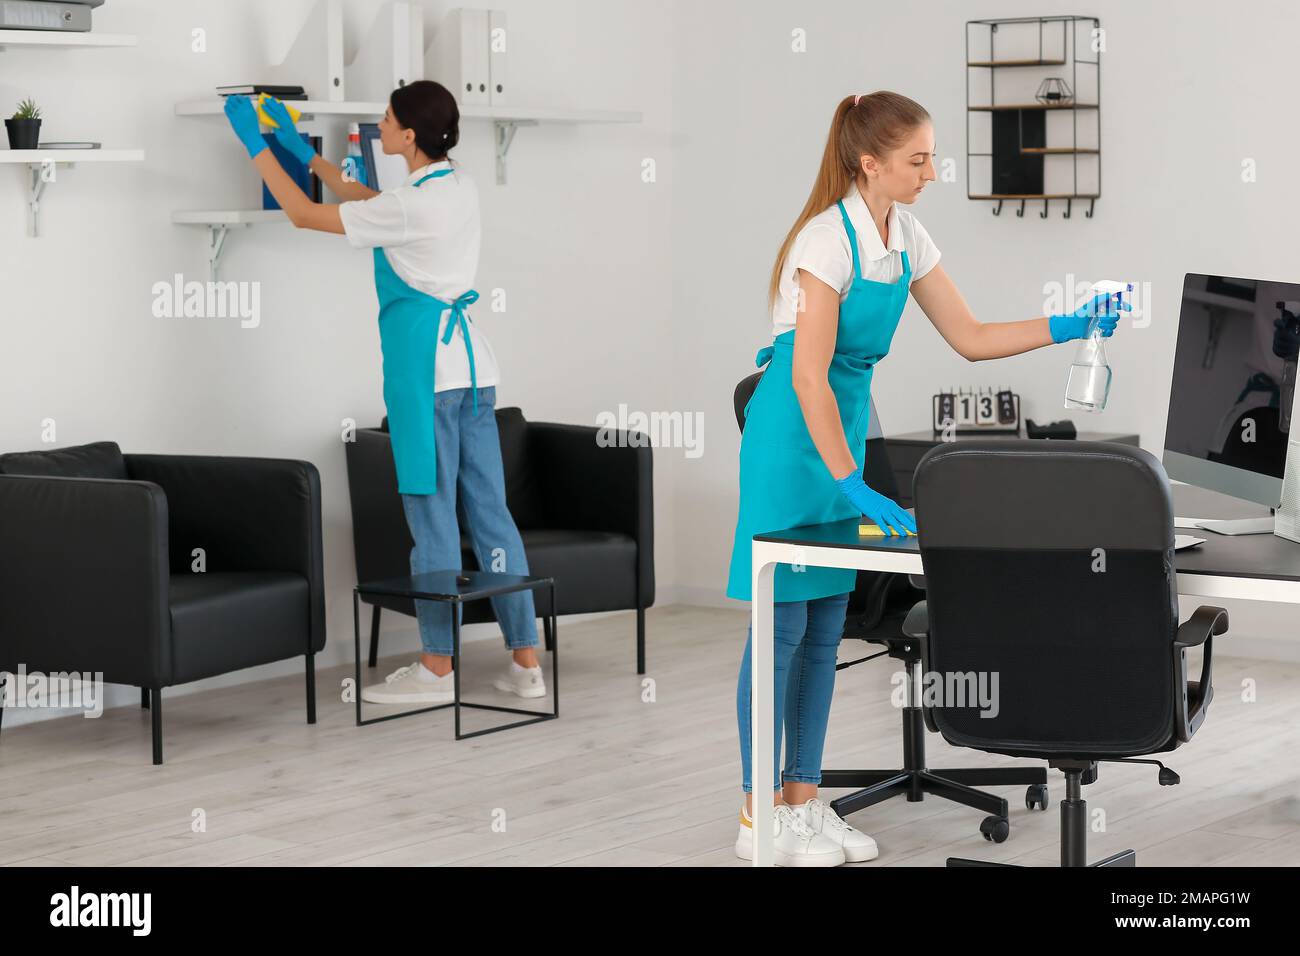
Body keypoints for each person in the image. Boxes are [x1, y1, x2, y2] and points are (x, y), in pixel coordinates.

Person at [725, 91, 1128, 866]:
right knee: (779, 631)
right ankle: (755, 816)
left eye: (933, 156)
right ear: (869, 162)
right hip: (790, 440)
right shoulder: (824, 243)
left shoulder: (905, 236)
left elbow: (971, 338)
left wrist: (1068, 324)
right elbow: (807, 376)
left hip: (840, 430)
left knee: (819, 635)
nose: (933, 172)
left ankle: (801, 805)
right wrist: (851, 483)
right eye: (918, 159)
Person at [223, 81, 546, 706]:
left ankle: (436, 667)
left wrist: (255, 146)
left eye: (387, 119)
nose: (379, 123)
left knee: (430, 522)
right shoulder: (455, 187)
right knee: (492, 516)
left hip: (426, 379)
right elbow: (372, 202)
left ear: (406, 136)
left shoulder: (410, 206)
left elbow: (302, 215)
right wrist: (302, 150)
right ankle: (526, 664)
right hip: (476, 373)